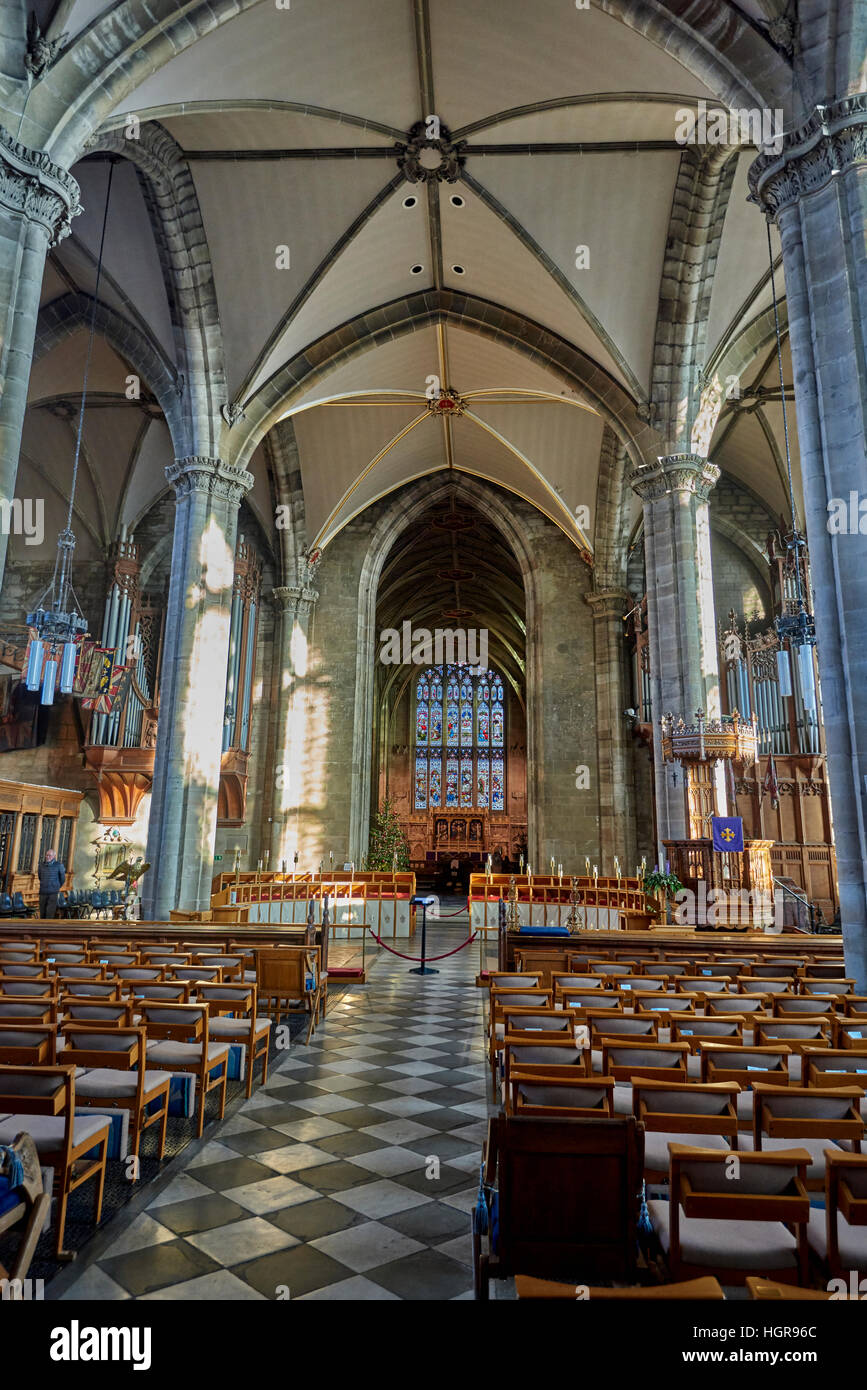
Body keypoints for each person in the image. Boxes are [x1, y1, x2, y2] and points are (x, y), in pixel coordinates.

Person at [38, 847, 65, 919]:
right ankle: (42, 929)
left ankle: (48, 929)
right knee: (42, 913)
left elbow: (62, 879)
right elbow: (40, 877)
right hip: (43, 892)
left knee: (49, 914)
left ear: (54, 856)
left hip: (53, 893)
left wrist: (56, 886)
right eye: (46, 855)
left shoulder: (59, 865)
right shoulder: (41, 865)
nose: (47, 857)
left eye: (49, 855)